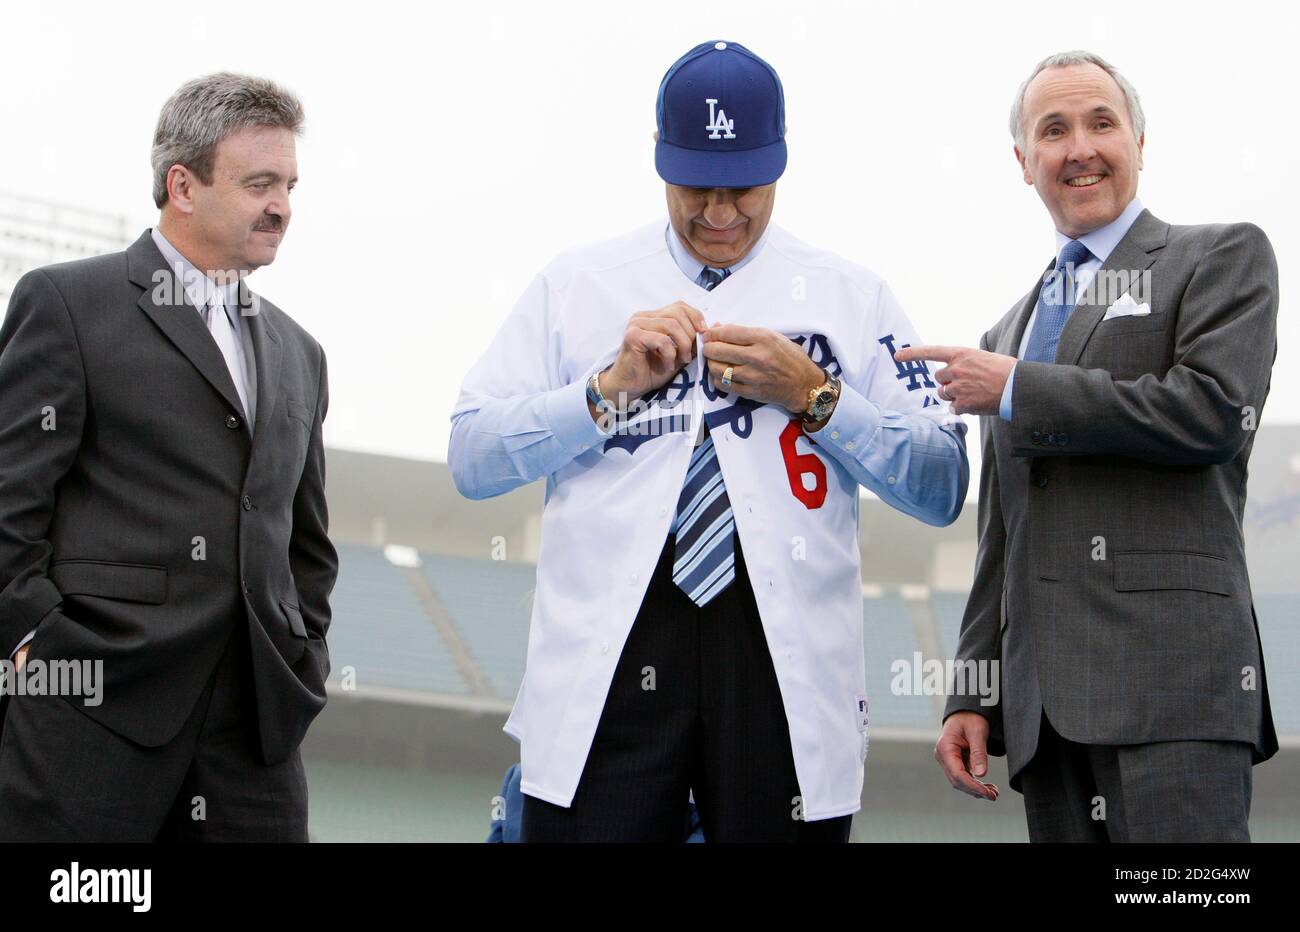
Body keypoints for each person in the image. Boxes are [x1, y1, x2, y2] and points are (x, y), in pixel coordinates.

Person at [451, 40, 968, 842]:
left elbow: (942, 484)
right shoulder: (578, 283)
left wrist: (816, 396)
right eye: (696, 186)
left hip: (780, 656)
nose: (720, 214)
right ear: (661, 160)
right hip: (611, 654)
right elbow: (472, 458)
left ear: (781, 163)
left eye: (744, 187)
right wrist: (605, 391)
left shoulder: (850, 295)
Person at [904, 50, 1279, 842]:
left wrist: (1017, 388)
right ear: (1024, 162)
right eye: (1054, 130)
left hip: (1172, 694)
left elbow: (1210, 412)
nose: (1080, 147)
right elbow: (1000, 536)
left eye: (1101, 122)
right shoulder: (1006, 332)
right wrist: (973, 691)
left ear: (1140, 140)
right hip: (1047, 720)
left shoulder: (1218, 257)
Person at [0, 73, 336, 841]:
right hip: (92, 716)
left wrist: (302, 655)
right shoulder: (67, 304)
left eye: (288, 184)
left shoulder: (301, 353)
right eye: (259, 183)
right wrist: (34, 645)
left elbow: (305, 545)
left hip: (254, 743)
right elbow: (8, 500)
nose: (281, 205)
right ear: (182, 186)